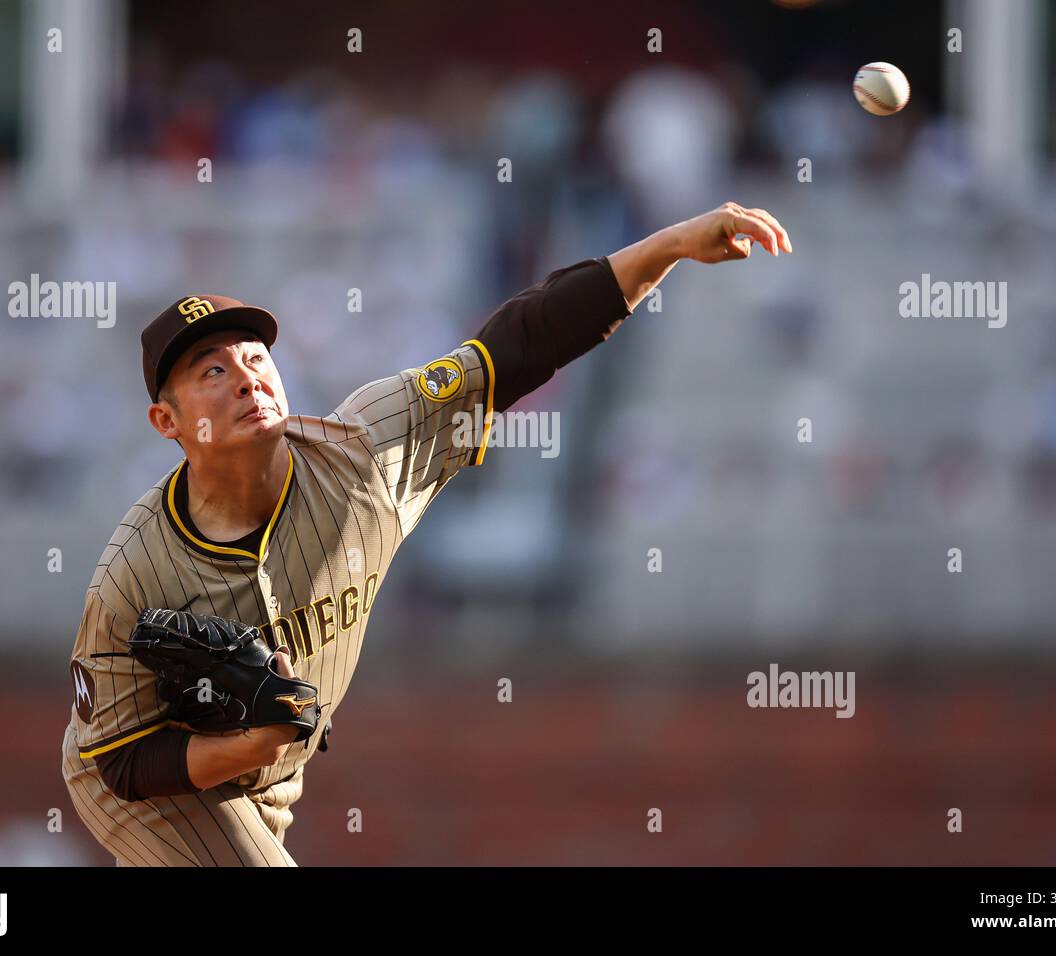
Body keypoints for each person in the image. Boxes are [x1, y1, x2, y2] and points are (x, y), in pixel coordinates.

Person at [60, 201, 793, 866]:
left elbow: (519, 344)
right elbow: (122, 761)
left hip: (272, 779)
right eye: (211, 369)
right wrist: (252, 741)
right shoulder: (138, 568)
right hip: (153, 781)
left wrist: (667, 246)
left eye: (256, 357)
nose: (247, 378)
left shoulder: (366, 456)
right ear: (169, 423)